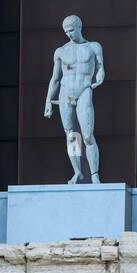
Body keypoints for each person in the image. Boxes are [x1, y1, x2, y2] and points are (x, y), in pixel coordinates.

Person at [44, 15, 105, 184]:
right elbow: (55, 78)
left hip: (84, 90)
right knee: (71, 134)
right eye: (66, 32)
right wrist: (48, 101)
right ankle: (77, 172)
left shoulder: (94, 47)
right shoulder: (61, 51)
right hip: (65, 92)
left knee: (87, 135)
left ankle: (94, 174)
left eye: (71, 30)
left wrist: (100, 75)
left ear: (79, 27)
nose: (69, 34)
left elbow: (100, 66)